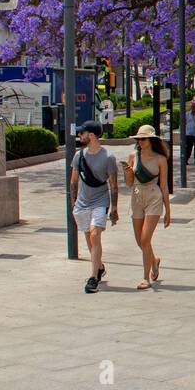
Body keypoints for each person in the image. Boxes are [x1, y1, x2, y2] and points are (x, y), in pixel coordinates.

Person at [70, 121, 119, 294]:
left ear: (91, 135)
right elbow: (73, 181)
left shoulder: (108, 157)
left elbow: (113, 185)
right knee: (90, 239)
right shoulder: (79, 156)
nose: (79, 136)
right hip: (82, 203)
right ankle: (99, 266)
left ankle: (93, 278)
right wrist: (73, 203)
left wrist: (114, 208)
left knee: (94, 233)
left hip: (100, 201)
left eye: (82, 133)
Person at [121, 124, 171, 290]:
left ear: (150, 140)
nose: (140, 142)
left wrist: (168, 211)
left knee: (145, 239)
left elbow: (164, 186)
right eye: (138, 139)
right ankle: (154, 261)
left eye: (143, 139)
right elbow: (128, 183)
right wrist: (127, 172)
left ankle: (145, 278)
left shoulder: (160, 159)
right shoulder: (133, 156)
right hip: (136, 196)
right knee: (139, 241)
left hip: (153, 196)